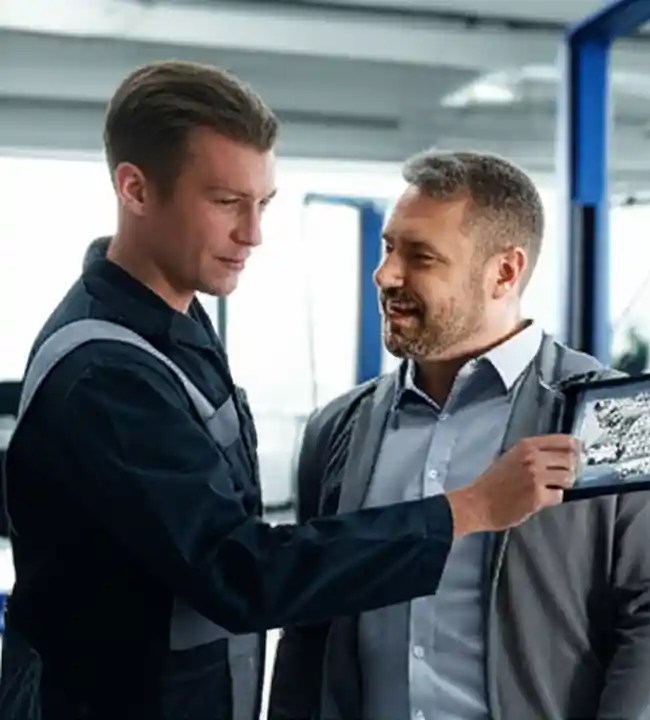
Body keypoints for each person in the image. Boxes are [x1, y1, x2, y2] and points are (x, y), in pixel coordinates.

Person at [0, 61, 576, 720]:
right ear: (134, 189)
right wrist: (468, 509)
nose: (253, 234)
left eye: (263, 203)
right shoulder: (106, 372)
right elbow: (240, 572)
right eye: (225, 203)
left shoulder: (175, 321)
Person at [268, 151, 650, 720]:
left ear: (504, 272)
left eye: (420, 257)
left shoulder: (616, 416)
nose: (387, 275)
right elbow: (309, 624)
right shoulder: (338, 428)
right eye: (388, 248)